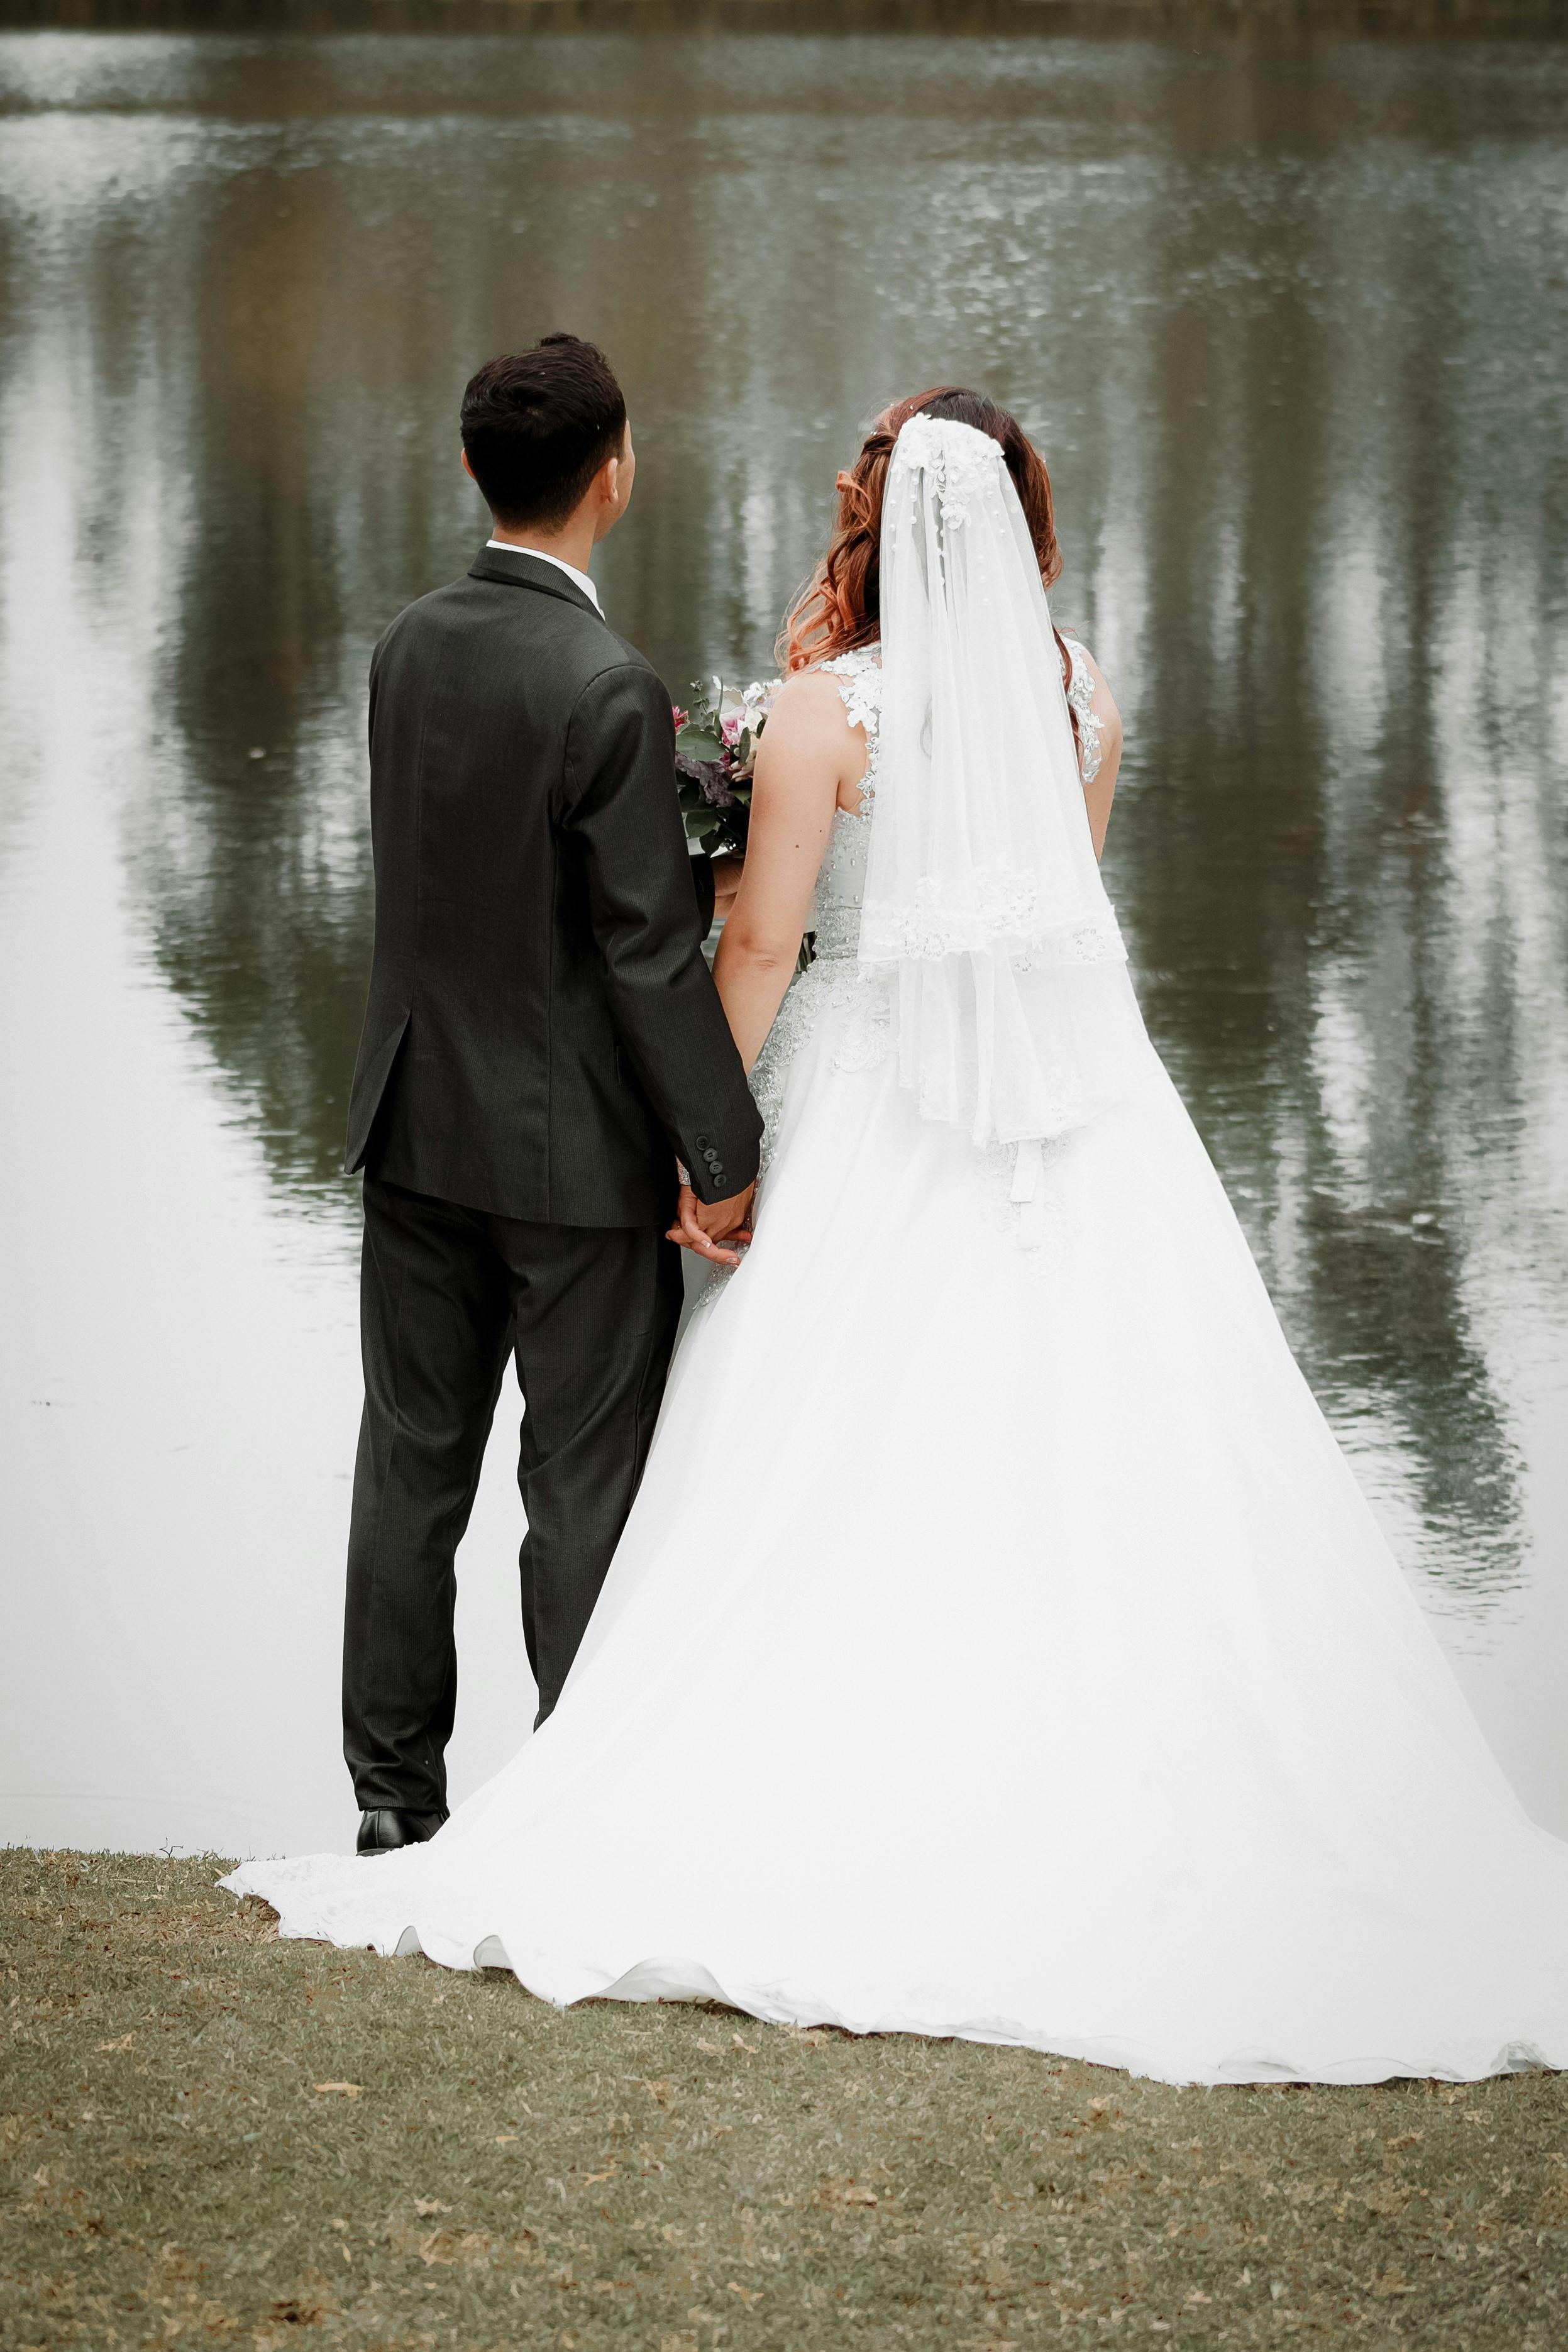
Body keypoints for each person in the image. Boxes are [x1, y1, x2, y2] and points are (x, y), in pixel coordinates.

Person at [228, 390, 1568, 2087]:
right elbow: (1044, 920)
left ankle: (471, 1788)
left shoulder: (816, 714)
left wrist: (702, 1143)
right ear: (1018, 531)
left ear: (866, 516)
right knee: (1087, 1465)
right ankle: (1081, 1789)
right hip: (1068, 1131)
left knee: (777, 1457)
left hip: (859, 1109)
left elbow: (768, 947)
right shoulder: (1079, 696)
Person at [337, 335, 761, 1857]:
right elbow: (645, 957)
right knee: (578, 1483)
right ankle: (573, 1799)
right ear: (618, 473)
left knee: (409, 1459)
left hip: (412, 1122)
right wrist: (722, 1147)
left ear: (471, 471)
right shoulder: (605, 683)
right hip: (573, 1156)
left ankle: (396, 1801)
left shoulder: (405, 643)